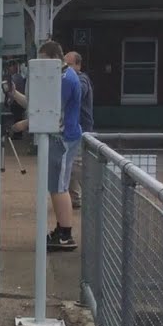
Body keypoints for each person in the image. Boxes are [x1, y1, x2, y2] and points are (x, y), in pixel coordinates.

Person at [8, 40, 81, 251]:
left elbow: (51, 113)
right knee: (57, 186)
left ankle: (65, 235)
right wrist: (14, 94)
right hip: (61, 137)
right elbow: (39, 105)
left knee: (59, 187)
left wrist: (24, 124)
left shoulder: (65, 80)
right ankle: (61, 230)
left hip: (63, 138)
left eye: (43, 60)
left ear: (54, 58)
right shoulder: (61, 77)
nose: (40, 65)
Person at [64, 51, 93, 209]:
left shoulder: (82, 79)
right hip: (72, 129)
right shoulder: (68, 79)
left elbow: (79, 92)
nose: (66, 68)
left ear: (78, 65)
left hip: (83, 130)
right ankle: (74, 198)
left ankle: (94, 195)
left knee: (77, 166)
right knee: (70, 165)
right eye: (65, 65)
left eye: (69, 65)